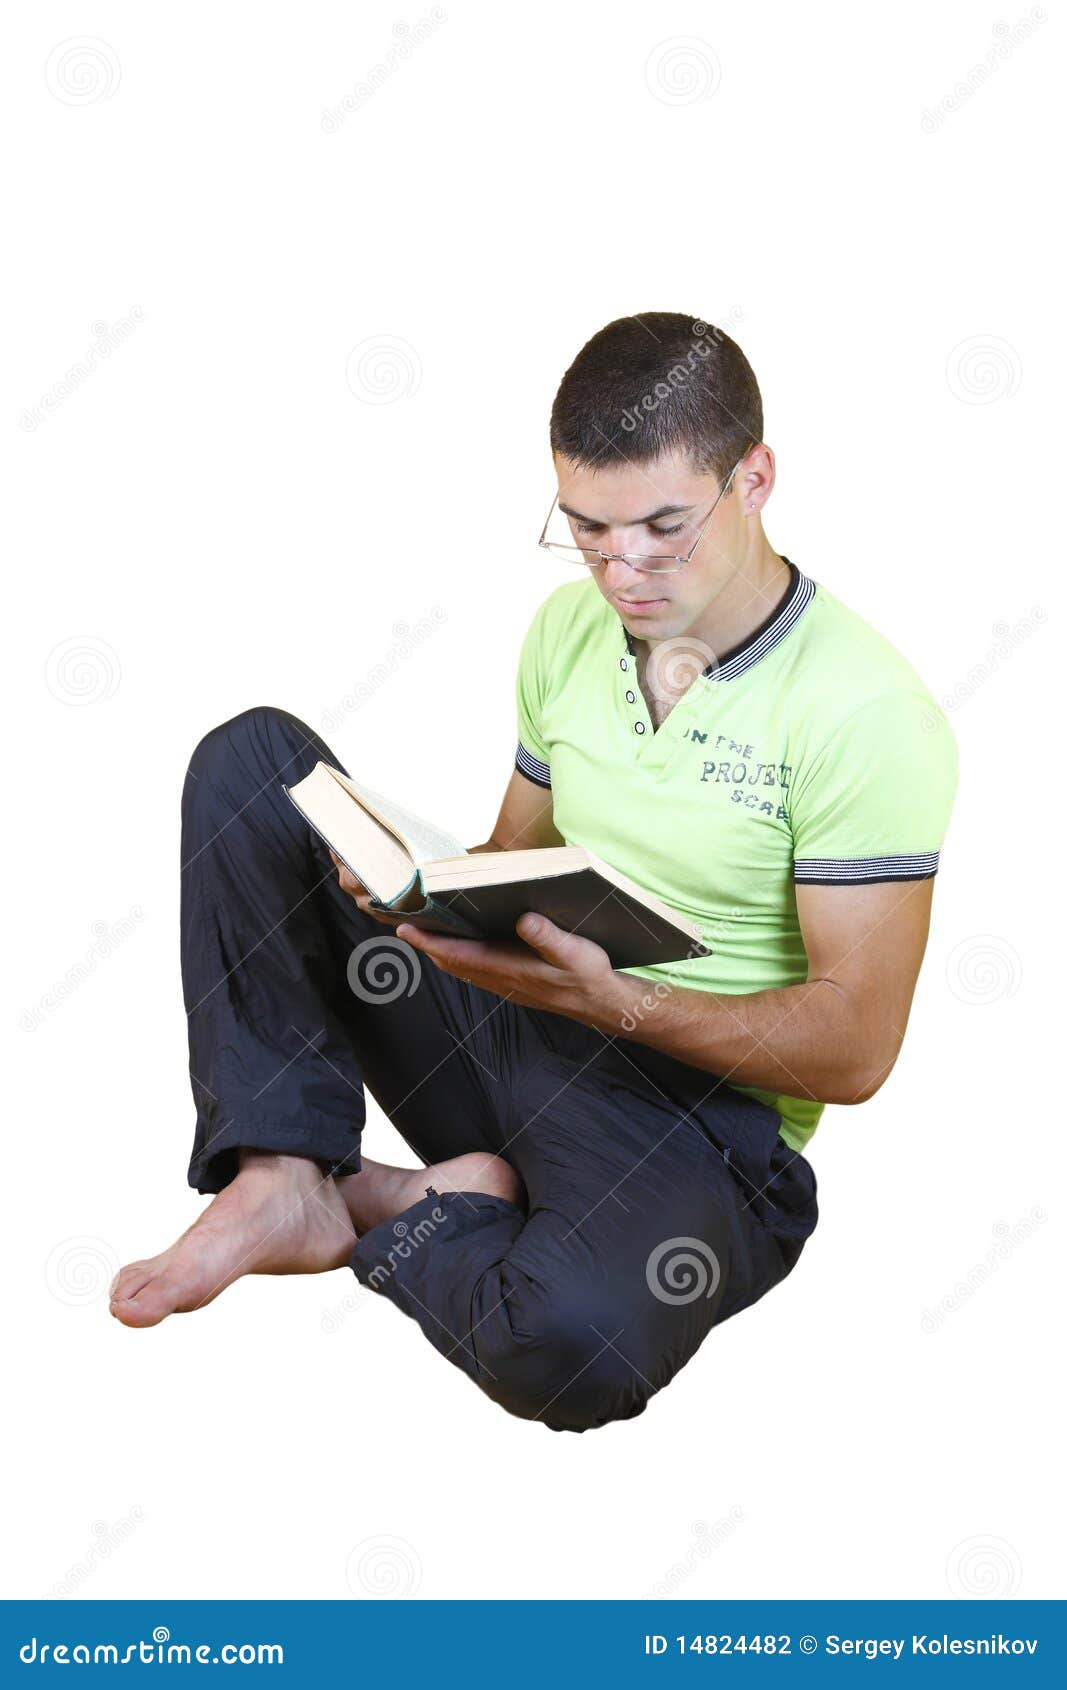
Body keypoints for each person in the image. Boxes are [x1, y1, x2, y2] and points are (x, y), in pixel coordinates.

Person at [109, 312, 959, 1433]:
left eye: (662, 527)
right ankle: (281, 1172)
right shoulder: (567, 629)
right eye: (589, 531)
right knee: (252, 766)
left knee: (568, 1342)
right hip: (523, 1021)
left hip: (695, 1130)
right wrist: (415, 891)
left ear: (752, 478)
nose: (624, 570)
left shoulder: (865, 712)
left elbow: (855, 1049)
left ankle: (410, 1208)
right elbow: (517, 858)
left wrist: (624, 1001)